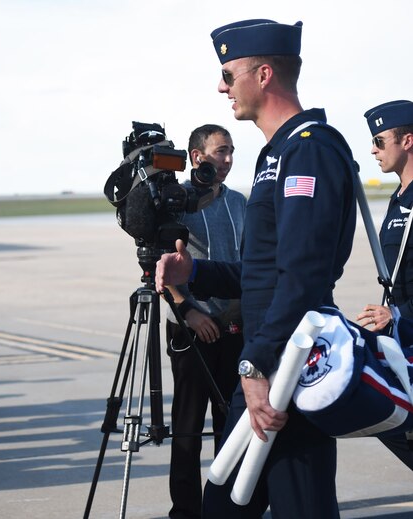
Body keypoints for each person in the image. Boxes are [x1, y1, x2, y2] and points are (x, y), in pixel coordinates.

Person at [155, 19, 356, 517]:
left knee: (298, 505)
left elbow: (303, 276)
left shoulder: (308, 149)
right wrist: (193, 275)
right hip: (271, 365)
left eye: (228, 73)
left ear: (263, 75)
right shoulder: (278, 152)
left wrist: (255, 363)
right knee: (225, 505)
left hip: (287, 368)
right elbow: (263, 272)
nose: (221, 86)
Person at [164, 125, 245, 519]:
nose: (227, 159)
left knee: (231, 428)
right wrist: (190, 311)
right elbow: (159, 269)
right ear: (198, 157)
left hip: (235, 331)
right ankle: (185, 512)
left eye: (231, 151)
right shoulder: (176, 202)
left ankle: (225, 507)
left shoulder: (242, 203)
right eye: (220, 151)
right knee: (188, 428)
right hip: (191, 331)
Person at [355, 100, 413, 470]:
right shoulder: (398, 197)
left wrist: (397, 312)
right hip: (402, 340)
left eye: (379, 140)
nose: (373, 150)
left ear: (407, 140)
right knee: (374, 411)